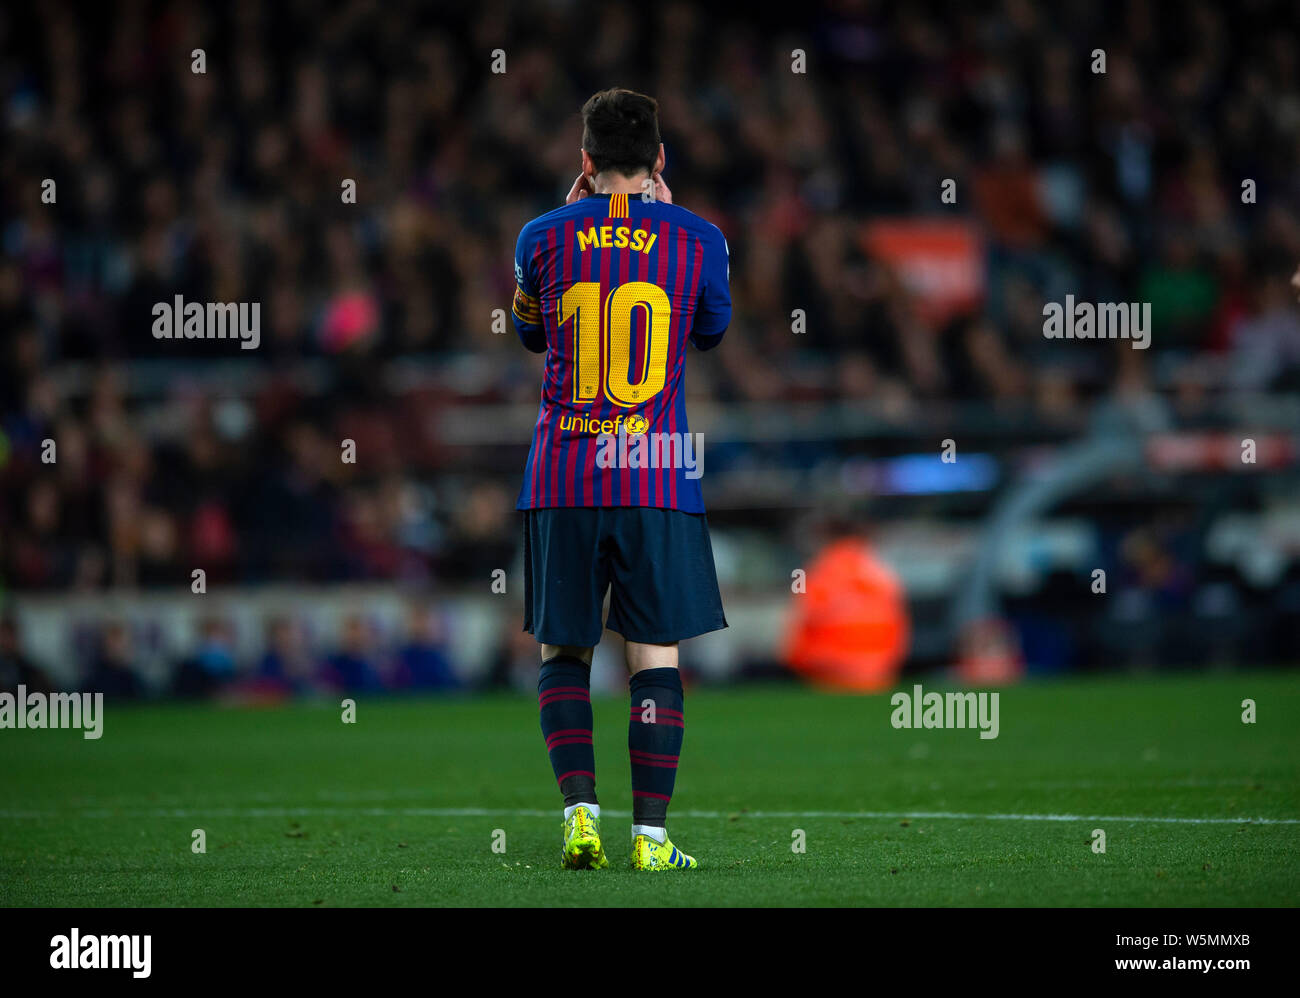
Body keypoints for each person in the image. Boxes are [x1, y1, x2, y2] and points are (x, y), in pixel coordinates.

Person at [511, 88, 731, 871]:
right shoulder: (700, 240)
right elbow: (709, 332)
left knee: (564, 651)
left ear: (584, 162)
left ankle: (580, 818)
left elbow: (530, 331)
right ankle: (652, 839)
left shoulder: (540, 235)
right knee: (654, 655)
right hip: (652, 475)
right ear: (660, 161)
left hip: (562, 471)